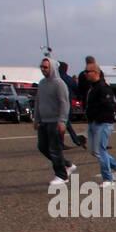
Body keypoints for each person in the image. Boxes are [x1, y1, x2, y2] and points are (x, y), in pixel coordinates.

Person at [35, 56, 75, 186]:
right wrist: (36, 118)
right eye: (41, 67)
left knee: (55, 149)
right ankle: (67, 165)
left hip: (55, 121)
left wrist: (62, 121)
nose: (43, 69)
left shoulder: (59, 84)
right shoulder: (41, 83)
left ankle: (61, 175)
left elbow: (64, 103)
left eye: (45, 67)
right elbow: (38, 101)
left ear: (51, 67)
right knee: (42, 147)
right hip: (44, 121)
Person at [83, 62, 116, 184]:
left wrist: (100, 117)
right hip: (93, 123)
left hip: (103, 123)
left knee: (100, 150)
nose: (85, 74)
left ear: (95, 73)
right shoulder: (93, 88)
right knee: (94, 151)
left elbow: (109, 105)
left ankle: (108, 178)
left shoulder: (103, 88)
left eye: (87, 71)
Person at [57, 60, 86, 148]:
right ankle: (73, 140)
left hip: (55, 104)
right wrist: (80, 98)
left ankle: (65, 141)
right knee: (66, 123)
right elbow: (77, 90)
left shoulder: (55, 79)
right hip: (66, 104)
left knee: (60, 123)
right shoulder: (69, 79)